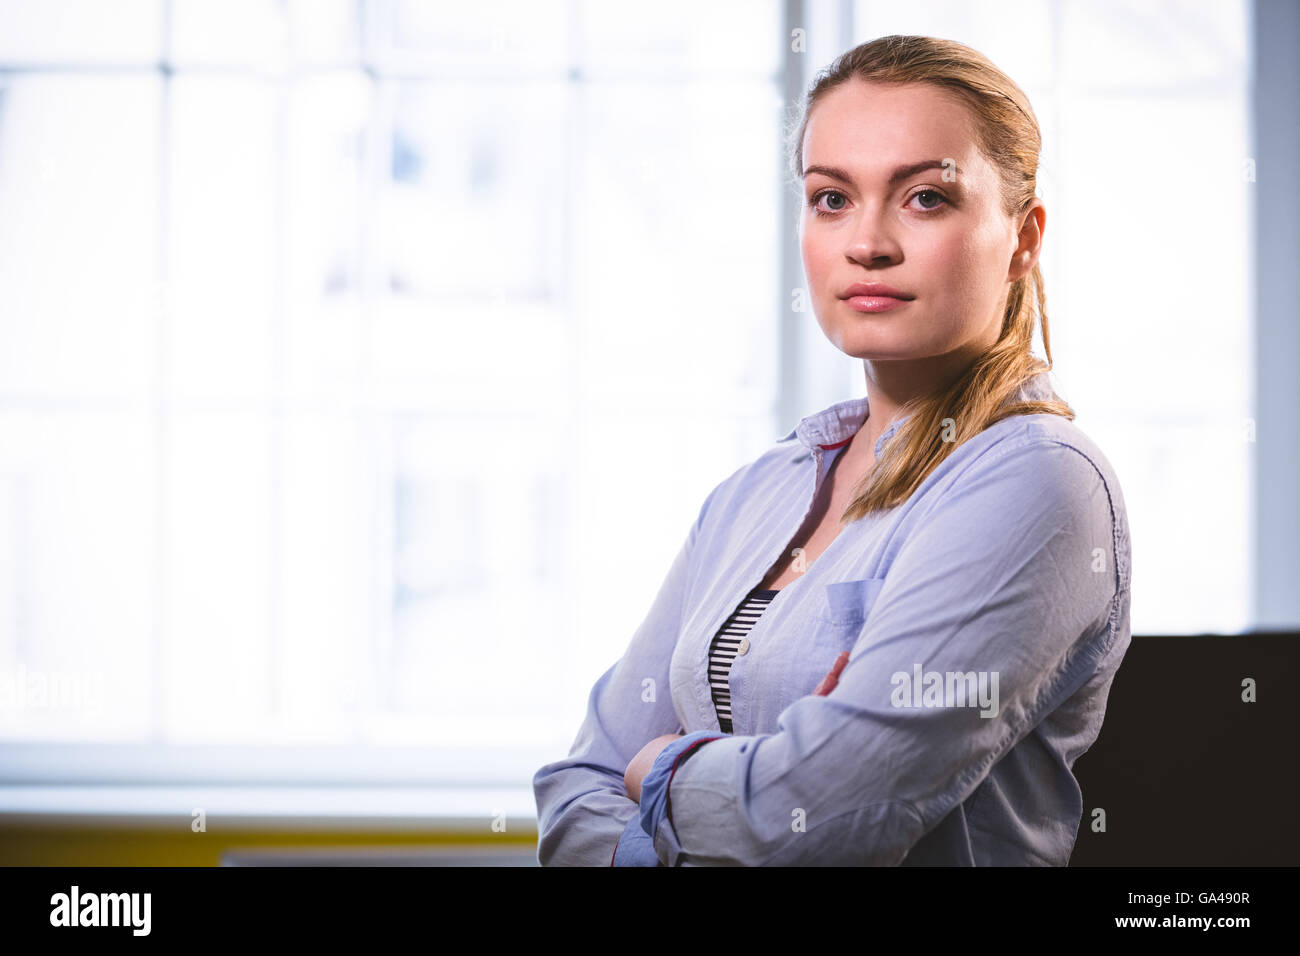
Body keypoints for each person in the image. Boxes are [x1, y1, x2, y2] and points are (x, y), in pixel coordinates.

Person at [533, 34, 1132, 866]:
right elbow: (576, 783)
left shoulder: (1038, 481)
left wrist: (659, 771)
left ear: (1024, 237)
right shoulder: (760, 492)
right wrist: (726, 789)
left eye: (925, 198)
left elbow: (827, 813)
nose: (868, 243)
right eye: (831, 198)